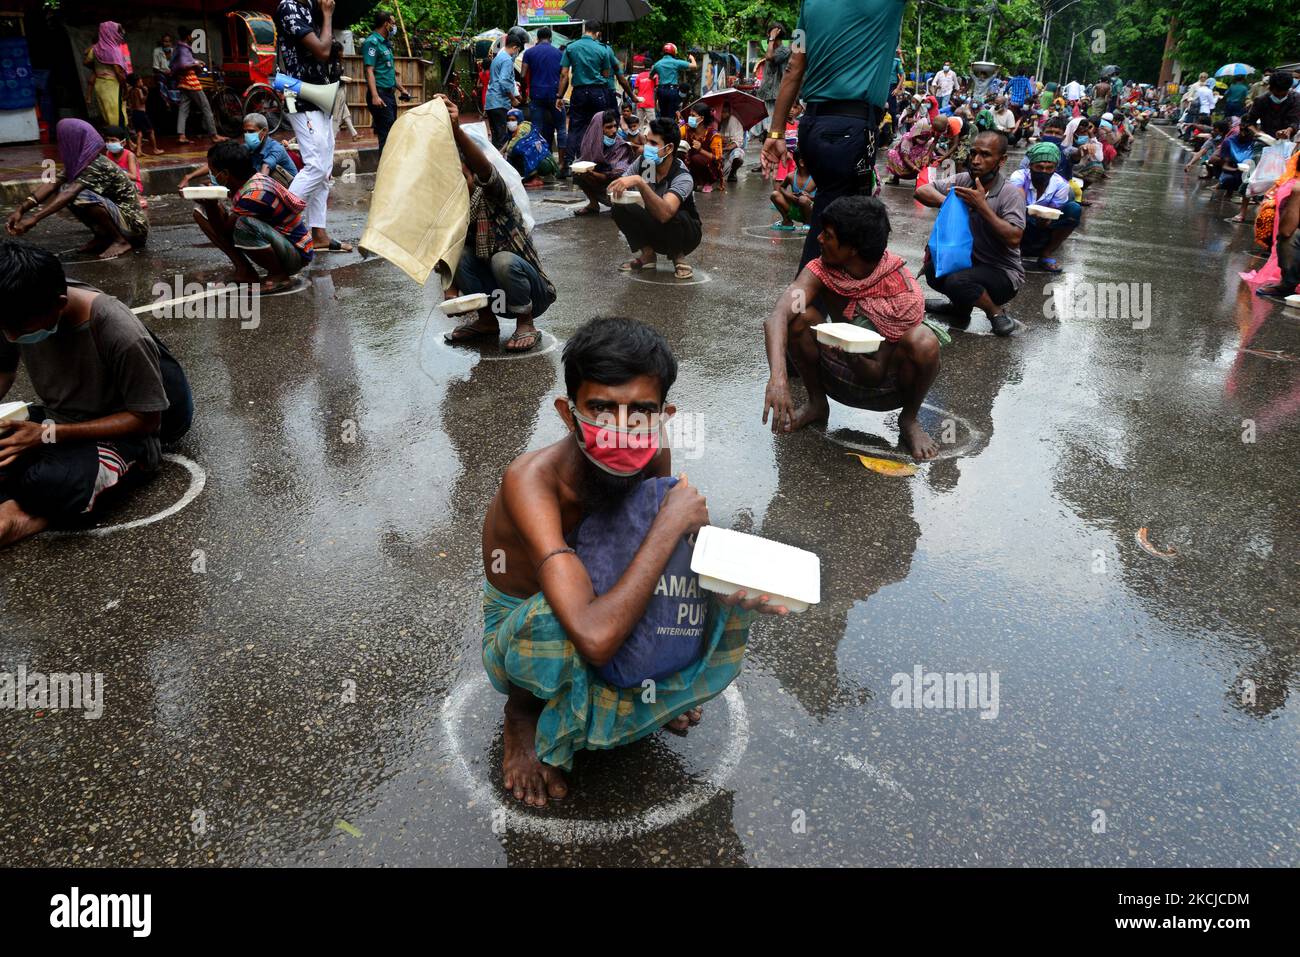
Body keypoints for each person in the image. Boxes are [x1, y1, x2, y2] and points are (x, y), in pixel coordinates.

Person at [480, 316, 783, 805]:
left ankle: (644, 684)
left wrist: (733, 590)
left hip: (603, 585)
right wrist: (670, 525)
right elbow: (594, 636)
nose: (621, 431)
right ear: (567, 412)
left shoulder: (652, 452)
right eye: (600, 408)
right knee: (558, 629)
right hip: (528, 620)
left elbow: (667, 557)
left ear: (665, 415)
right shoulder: (530, 481)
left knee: (710, 597)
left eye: (641, 412)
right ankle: (521, 715)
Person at [0, 240, 189, 549]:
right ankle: (23, 500)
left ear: (60, 304)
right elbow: (3, 371)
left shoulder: (117, 329)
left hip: (125, 436)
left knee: (51, 483)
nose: (10, 337)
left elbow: (146, 420)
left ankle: (26, 512)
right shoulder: (14, 308)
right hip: (54, 421)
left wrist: (46, 435)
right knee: (12, 445)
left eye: (18, 330)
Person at [761, 195, 940, 460]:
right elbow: (777, 316)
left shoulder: (900, 286)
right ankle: (817, 404)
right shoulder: (820, 270)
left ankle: (910, 419)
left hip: (887, 381)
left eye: (828, 235)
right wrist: (778, 378)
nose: (819, 239)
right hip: (840, 365)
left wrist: (860, 358)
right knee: (799, 317)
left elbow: (876, 373)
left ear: (852, 249)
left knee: (925, 341)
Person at [761, 0, 908, 270]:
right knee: (836, 230)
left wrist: (776, 131)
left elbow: (794, 66)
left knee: (840, 222)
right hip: (849, 132)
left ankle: (826, 303)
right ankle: (804, 306)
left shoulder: (810, 4)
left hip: (812, 127)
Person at [436, 95, 554, 354]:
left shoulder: (494, 193)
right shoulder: (453, 209)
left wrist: (456, 130)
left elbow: (485, 170)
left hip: (532, 293)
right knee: (457, 256)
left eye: (462, 175)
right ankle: (487, 322)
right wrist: (452, 295)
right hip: (495, 293)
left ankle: (526, 323)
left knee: (503, 260)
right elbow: (444, 255)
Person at [914, 130, 1024, 337]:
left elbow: (1014, 237)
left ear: (1002, 160)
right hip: (969, 264)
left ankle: (995, 312)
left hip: (1002, 274)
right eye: (973, 153)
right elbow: (921, 191)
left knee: (957, 281)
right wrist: (949, 202)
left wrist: (981, 206)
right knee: (932, 270)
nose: (975, 160)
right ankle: (960, 307)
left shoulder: (1010, 193)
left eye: (985, 155)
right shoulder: (964, 180)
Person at [5, 119, 148, 259]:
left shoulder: (97, 163)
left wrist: (34, 219)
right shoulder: (79, 163)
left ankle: (120, 240)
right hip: (120, 219)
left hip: (134, 227)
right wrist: (21, 210)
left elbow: (71, 192)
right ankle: (103, 237)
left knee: (78, 196)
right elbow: (51, 184)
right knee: (64, 192)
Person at [275, 0, 352, 253]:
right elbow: (321, 50)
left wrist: (323, 13)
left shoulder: (308, 6)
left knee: (325, 168)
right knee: (316, 166)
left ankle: (318, 234)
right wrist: (328, 15)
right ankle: (280, 225)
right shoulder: (288, 7)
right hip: (297, 91)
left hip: (320, 92)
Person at [187, 140, 312, 293]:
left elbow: (226, 231)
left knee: (243, 225)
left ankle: (279, 276)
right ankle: (244, 270)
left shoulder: (254, 195)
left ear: (225, 174)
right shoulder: (247, 183)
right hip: (283, 245)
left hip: (296, 254)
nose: (212, 176)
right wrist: (209, 204)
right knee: (200, 211)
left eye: (213, 172)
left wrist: (212, 204)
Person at [608, 117, 702, 280]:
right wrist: (617, 188)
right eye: (646, 142)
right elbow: (618, 185)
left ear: (669, 148)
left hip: (685, 233)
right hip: (655, 225)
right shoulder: (646, 164)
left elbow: (665, 213)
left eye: (653, 143)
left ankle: (678, 257)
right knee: (619, 207)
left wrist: (639, 182)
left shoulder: (681, 175)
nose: (646, 148)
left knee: (674, 215)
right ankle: (648, 255)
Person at [179, 113, 299, 191]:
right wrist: (189, 177)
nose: (247, 135)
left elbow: (265, 170)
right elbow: (221, 160)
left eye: (251, 131)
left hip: (289, 191)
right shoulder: (248, 148)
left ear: (264, 131)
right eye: (245, 131)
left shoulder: (276, 148)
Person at [1010, 142, 1080, 274]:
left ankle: (1046, 254)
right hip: (1019, 219)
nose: (1044, 171)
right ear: (1030, 166)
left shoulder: (1061, 184)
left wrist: (1046, 219)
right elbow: (1017, 200)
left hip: (1044, 224)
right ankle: (1014, 252)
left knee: (1074, 209)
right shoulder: (1019, 176)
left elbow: (1054, 211)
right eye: (1039, 167)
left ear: (1055, 168)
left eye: (1049, 168)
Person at [557, 21, 621, 164]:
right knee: (599, 126)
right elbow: (605, 74)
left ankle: (568, 164)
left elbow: (564, 74)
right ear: (598, 33)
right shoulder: (603, 49)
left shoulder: (571, 47)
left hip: (579, 92)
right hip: (598, 92)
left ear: (585, 30)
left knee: (575, 128)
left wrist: (559, 96)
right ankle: (596, 160)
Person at [362, 11, 411, 157]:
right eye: (393, 23)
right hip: (380, 95)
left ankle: (389, 169)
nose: (394, 26)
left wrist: (402, 90)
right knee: (387, 135)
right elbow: (369, 71)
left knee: (391, 133)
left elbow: (387, 72)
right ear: (386, 24)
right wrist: (375, 96)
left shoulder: (386, 44)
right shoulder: (372, 42)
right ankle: (385, 173)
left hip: (389, 95)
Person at [572, 109, 635, 216]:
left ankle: (618, 207)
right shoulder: (590, 141)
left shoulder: (621, 146)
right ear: (598, 129)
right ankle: (593, 205)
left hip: (616, 187)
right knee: (576, 171)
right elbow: (583, 159)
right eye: (609, 127)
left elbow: (618, 174)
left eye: (615, 126)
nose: (614, 130)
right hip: (597, 181)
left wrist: (593, 174)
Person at [522, 27, 565, 172]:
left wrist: (523, 93)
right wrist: (560, 95)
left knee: (536, 130)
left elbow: (522, 74)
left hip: (537, 95)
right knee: (561, 128)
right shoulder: (559, 53)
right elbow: (564, 76)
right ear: (550, 38)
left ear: (538, 38)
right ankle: (561, 164)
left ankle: (537, 165)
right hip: (555, 95)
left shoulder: (529, 53)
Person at [171, 26, 218, 145]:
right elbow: (184, 64)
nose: (192, 38)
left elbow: (180, 62)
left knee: (183, 109)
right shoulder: (183, 49)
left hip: (182, 81)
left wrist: (195, 61)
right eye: (191, 35)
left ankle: (181, 135)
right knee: (206, 106)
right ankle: (214, 134)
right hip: (191, 81)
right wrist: (196, 65)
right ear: (188, 36)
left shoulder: (179, 48)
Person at [486, 28, 526, 148]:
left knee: (496, 138)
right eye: (518, 50)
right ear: (515, 48)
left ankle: (494, 164)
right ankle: (504, 165)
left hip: (490, 102)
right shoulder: (507, 60)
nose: (517, 53)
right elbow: (504, 81)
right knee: (503, 137)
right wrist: (512, 98)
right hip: (500, 102)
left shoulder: (497, 57)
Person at [84, 22, 127, 128]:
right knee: (117, 115)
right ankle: (119, 140)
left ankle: (120, 140)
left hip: (99, 84)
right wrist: (125, 87)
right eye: (117, 31)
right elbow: (118, 72)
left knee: (107, 114)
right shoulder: (113, 50)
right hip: (112, 85)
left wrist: (97, 69)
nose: (119, 34)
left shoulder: (95, 49)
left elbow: (86, 62)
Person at [502, 108, 558, 188]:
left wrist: (505, 154)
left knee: (523, 149)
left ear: (519, 119)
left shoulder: (524, 128)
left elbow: (512, 146)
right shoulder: (515, 131)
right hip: (541, 161)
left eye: (513, 120)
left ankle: (536, 179)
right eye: (508, 120)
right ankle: (529, 177)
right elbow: (508, 143)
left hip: (545, 163)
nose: (510, 122)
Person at [755, 24, 791, 139]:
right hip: (766, 96)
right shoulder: (772, 49)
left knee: (773, 131)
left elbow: (770, 57)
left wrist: (771, 38)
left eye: (769, 34)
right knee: (766, 130)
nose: (767, 37)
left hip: (777, 96)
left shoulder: (784, 51)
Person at [1243, 71, 1300, 140]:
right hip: (1265, 140)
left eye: (1283, 95)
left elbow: (1295, 121)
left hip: (1288, 140)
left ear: (1289, 89)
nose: (1280, 97)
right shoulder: (1260, 100)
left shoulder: (1296, 98)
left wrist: (1289, 130)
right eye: (1276, 95)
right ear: (1269, 88)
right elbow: (1249, 122)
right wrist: (1256, 132)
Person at [681, 103, 724, 193]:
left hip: (710, 166)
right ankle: (691, 180)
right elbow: (675, 135)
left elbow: (718, 158)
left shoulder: (714, 135)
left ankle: (707, 182)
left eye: (693, 115)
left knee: (697, 157)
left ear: (702, 118)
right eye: (690, 115)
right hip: (691, 163)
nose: (690, 118)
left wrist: (700, 150)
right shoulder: (686, 128)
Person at [102, 126, 146, 210]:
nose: (109, 143)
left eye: (113, 140)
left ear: (123, 143)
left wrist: (116, 171)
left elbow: (134, 176)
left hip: (132, 184)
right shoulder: (108, 153)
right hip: (116, 182)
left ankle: (138, 198)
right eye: (107, 140)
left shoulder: (129, 155)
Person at [771, 148, 815, 230]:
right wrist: (789, 196)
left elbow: (823, 193)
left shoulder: (815, 177)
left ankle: (808, 224)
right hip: (795, 210)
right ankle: (787, 221)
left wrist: (811, 197)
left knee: (803, 199)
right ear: (802, 162)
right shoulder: (791, 176)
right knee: (775, 194)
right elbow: (781, 187)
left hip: (811, 212)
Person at [651, 42, 696, 123]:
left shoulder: (657, 64)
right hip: (672, 91)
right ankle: (670, 133)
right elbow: (694, 66)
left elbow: (651, 76)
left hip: (661, 91)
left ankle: (663, 133)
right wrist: (692, 58)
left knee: (663, 115)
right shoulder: (676, 62)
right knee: (671, 115)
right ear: (673, 52)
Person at [885, 118, 935, 186]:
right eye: (921, 137)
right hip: (903, 167)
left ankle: (921, 180)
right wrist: (917, 169)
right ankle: (895, 178)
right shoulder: (907, 139)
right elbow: (905, 158)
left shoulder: (929, 141)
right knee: (892, 153)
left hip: (917, 170)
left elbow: (933, 149)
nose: (923, 139)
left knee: (929, 153)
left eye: (925, 137)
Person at [126, 74, 163, 156]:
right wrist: (146, 93)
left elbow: (128, 99)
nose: (142, 82)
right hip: (141, 113)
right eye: (140, 81)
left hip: (134, 113)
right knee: (151, 131)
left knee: (139, 133)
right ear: (136, 82)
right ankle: (155, 149)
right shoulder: (138, 90)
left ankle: (138, 150)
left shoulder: (130, 90)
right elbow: (142, 101)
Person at [718, 101, 746, 183]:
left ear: (728, 112)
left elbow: (738, 141)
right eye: (721, 112)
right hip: (721, 151)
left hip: (731, 150)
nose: (722, 114)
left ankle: (733, 172)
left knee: (738, 155)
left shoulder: (734, 121)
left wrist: (726, 147)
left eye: (724, 112)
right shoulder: (719, 121)